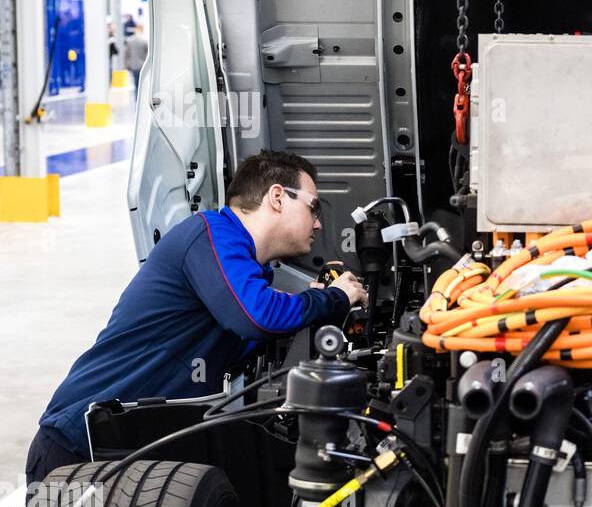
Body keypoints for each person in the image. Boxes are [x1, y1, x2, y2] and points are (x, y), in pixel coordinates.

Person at [27, 150, 368, 483]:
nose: (319, 222)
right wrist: (334, 298)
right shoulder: (210, 235)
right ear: (277, 197)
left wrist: (313, 300)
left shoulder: (242, 270)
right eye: (314, 207)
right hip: (75, 453)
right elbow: (259, 318)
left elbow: (257, 327)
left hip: (125, 455)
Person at [124, 22, 148, 96]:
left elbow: (127, 55)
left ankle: (137, 100)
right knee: (143, 84)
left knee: (136, 83)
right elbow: (147, 54)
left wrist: (127, 65)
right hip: (143, 66)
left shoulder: (130, 40)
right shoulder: (144, 41)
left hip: (134, 66)